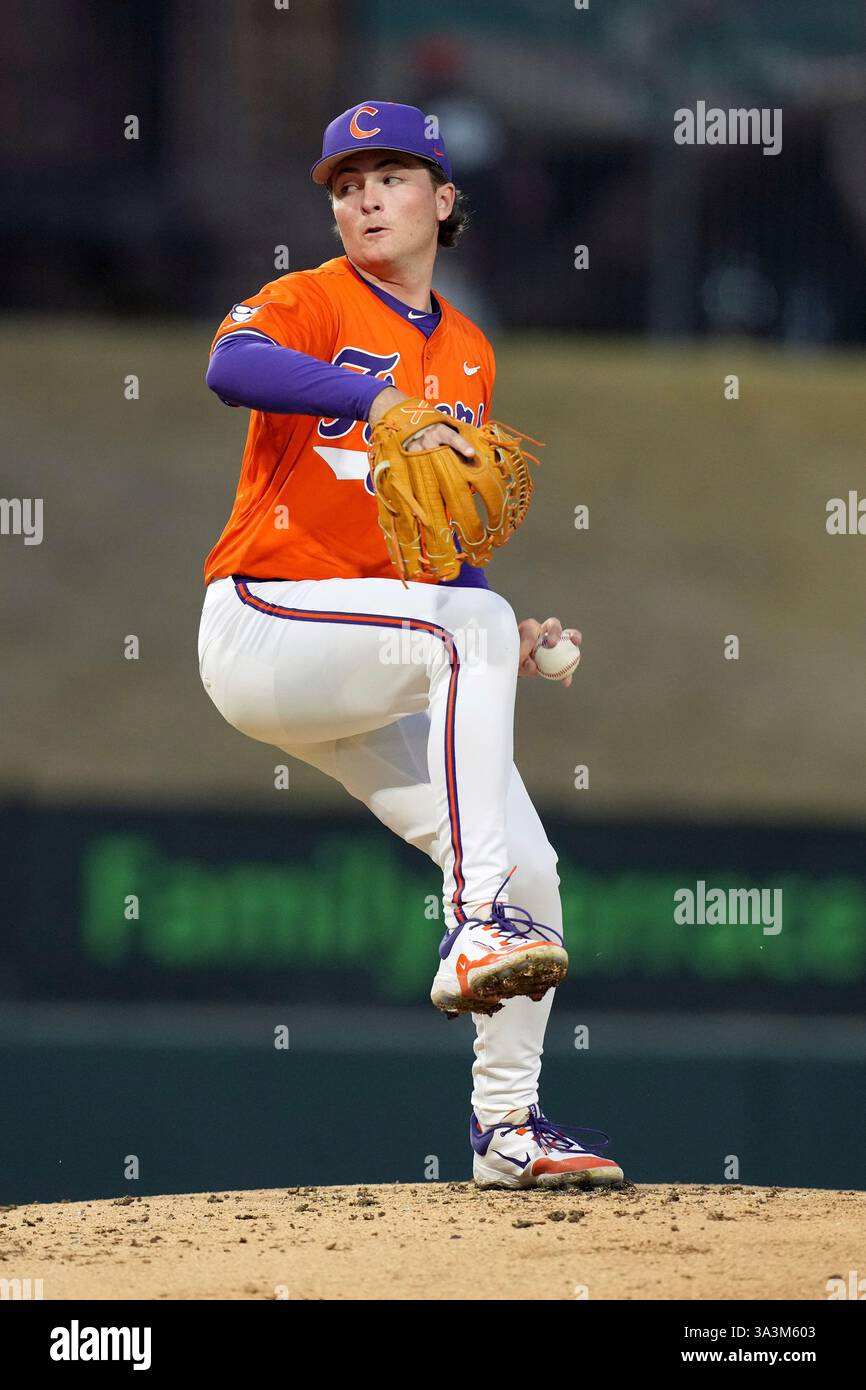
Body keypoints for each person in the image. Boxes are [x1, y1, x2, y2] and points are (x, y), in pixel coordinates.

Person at [198, 100, 623, 1189]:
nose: (362, 197)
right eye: (345, 184)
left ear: (442, 201)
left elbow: (440, 551)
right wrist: (371, 396)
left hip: (372, 657)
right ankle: (471, 923)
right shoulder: (309, 299)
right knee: (462, 649)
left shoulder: (469, 352)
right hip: (266, 623)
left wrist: (502, 630)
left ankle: (507, 1128)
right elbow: (231, 367)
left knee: (533, 862)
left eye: (387, 177)